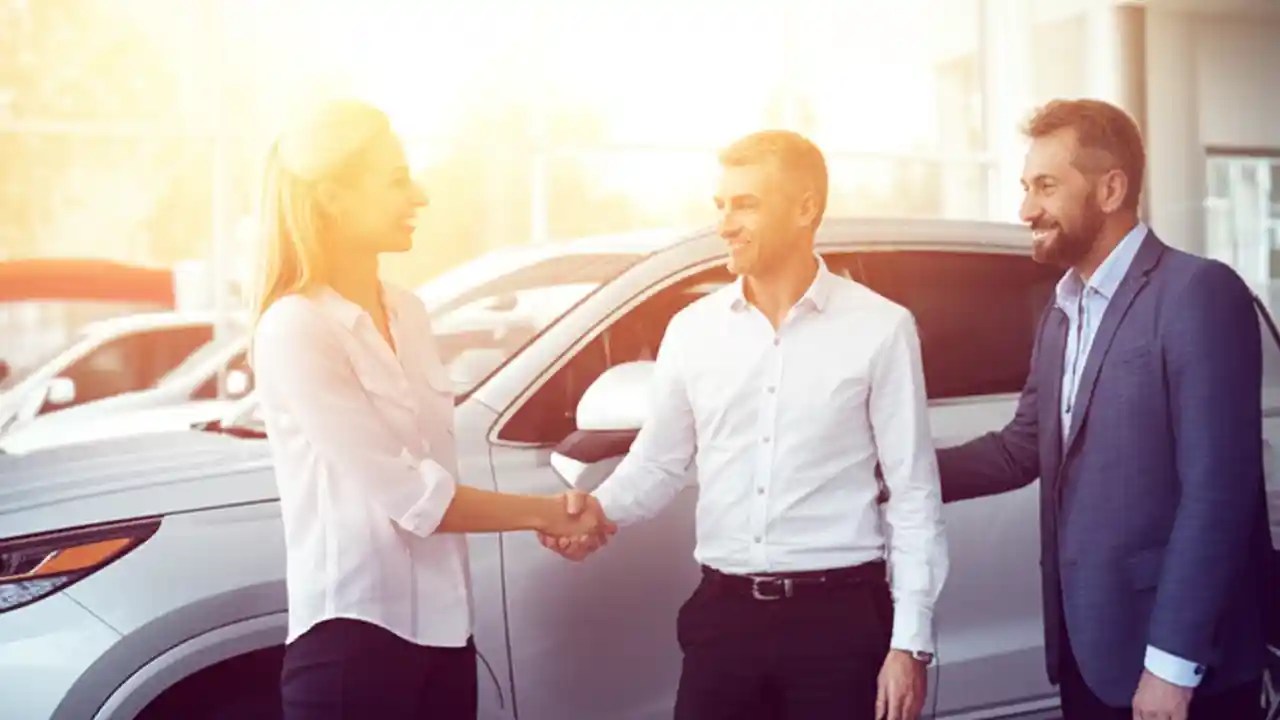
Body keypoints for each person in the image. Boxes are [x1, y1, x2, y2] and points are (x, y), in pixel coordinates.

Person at [543, 130, 947, 720]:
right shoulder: (692, 330)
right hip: (724, 620)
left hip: (838, 625)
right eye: (721, 206)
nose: (725, 224)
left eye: (746, 204)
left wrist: (909, 643)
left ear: (806, 208)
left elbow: (914, 493)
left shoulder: (881, 328)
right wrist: (596, 514)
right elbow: (658, 463)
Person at [249, 99, 614, 720]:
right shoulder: (296, 327)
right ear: (333, 196)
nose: (417, 195)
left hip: (446, 640)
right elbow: (415, 498)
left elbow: (431, 470)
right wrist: (548, 512)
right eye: (395, 180)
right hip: (352, 647)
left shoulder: (409, 312)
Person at [935, 98, 1270, 720]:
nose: (1026, 208)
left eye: (1046, 186)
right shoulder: (1062, 312)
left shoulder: (1197, 292)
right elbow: (1020, 446)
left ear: (1112, 188)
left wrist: (1171, 665)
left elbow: (1218, 493)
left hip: (1177, 667)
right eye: (1025, 186)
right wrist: (892, 474)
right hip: (1088, 653)